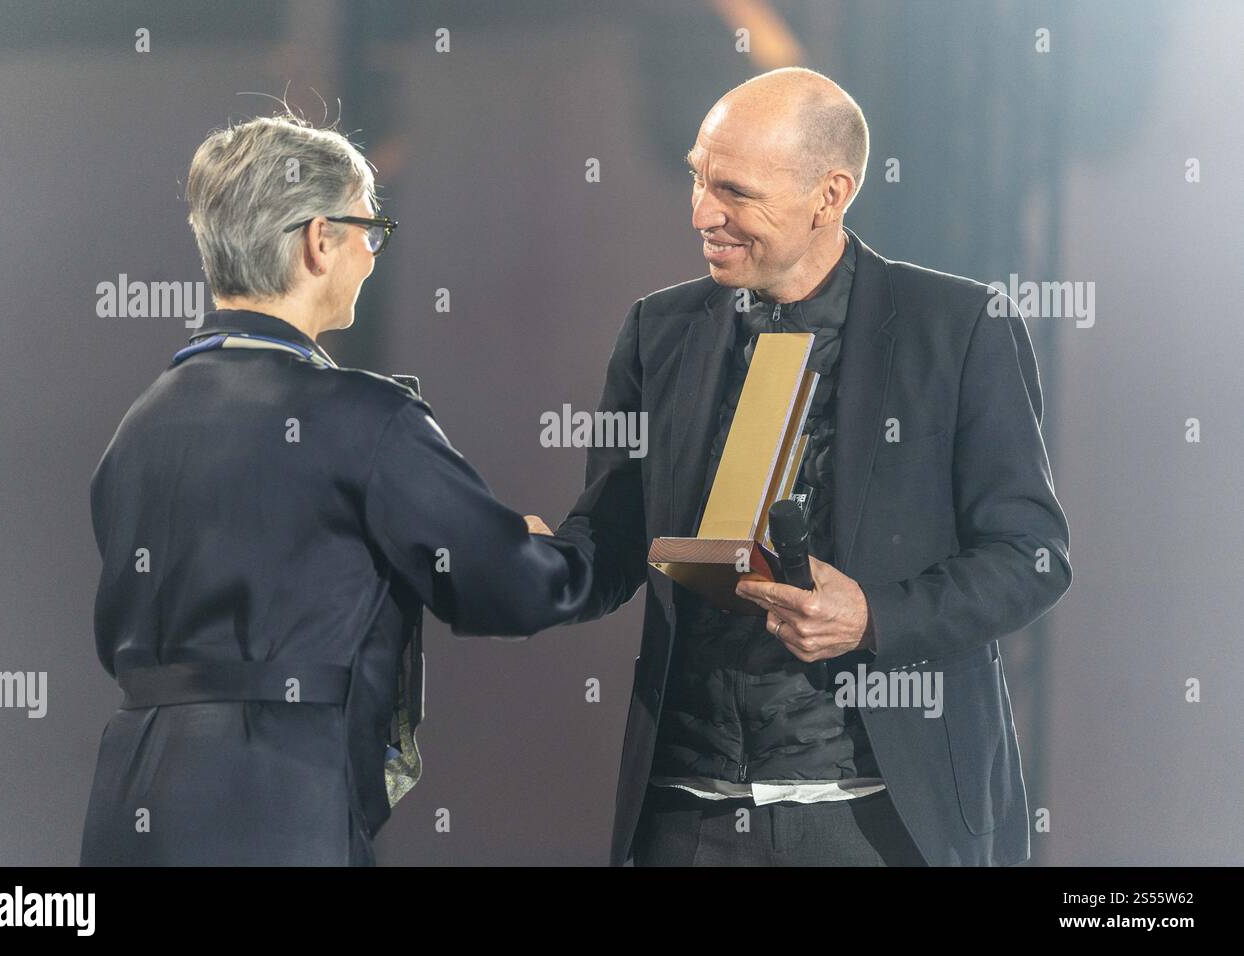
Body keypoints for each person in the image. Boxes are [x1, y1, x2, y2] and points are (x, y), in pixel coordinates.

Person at [531, 67, 1072, 866]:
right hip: (691, 814)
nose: (702, 214)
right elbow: (612, 537)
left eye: (735, 192)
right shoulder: (658, 329)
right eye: (697, 179)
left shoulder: (957, 327)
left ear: (831, 195)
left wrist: (874, 617)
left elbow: (1032, 558)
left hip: (877, 819)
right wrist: (530, 559)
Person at [80, 112, 592, 866]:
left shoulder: (142, 421)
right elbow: (504, 585)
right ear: (320, 239)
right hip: (276, 805)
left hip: (127, 804)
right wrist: (570, 550)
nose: (371, 255)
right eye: (368, 230)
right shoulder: (361, 415)